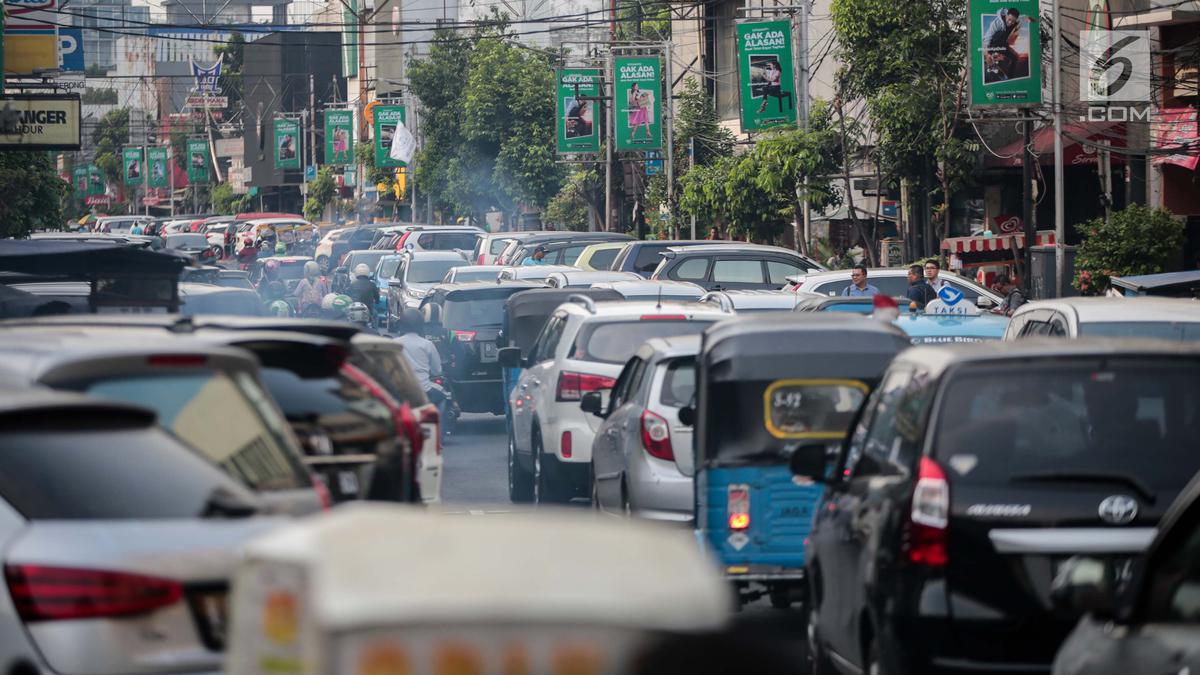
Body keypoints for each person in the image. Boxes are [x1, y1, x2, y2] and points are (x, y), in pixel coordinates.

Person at [395, 308, 444, 406]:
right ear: (420, 325)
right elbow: (437, 370)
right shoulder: (427, 344)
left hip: (400, 391)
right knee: (444, 397)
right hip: (424, 391)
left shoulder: (394, 343)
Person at [983, 8, 1022, 82]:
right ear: (1006, 15)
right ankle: (991, 63)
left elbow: (1022, 19)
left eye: (1013, 21)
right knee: (999, 33)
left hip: (1003, 45)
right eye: (1009, 19)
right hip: (993, 44)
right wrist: (987, 53)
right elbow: (988, 37)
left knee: (1015, 57)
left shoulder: (1015, 23)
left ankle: (1010, 78)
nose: (1010, 22)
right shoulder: (996, 23)